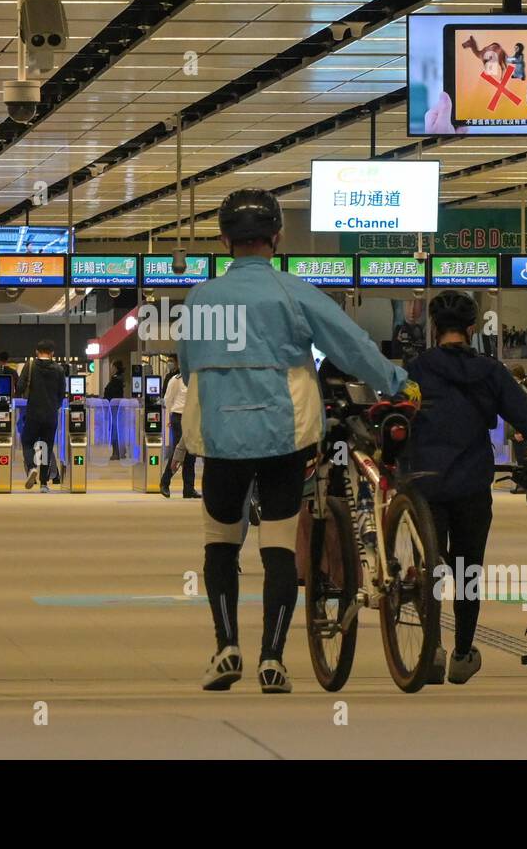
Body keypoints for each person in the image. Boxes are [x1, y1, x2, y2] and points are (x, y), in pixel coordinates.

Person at [180, 188, 416, 694]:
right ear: (277, 238)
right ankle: (273, 660)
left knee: (220, 546)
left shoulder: (199, 298)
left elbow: (187, 364)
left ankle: (226, 647)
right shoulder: (294, 292)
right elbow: (351, 347)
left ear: (224, 241)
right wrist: (398, 382)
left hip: (218, 436)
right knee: (280, 548)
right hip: (283, 436)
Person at [403, 291, 527, 685]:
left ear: (435, 329)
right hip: (472, 484)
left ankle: (432, 652)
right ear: (472, 331)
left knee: (430, 570)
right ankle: (462, 653)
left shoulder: (416, 370)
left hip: (425, 486)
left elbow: (396, 417)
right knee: (467, 569)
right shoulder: (490, 372)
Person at [17, 340, 66, 491]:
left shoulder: (30, 366)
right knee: (46, 446)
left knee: (27, 441)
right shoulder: (59, 369)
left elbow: (19, 387)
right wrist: (54, 407)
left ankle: (32, 467)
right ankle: (44, 483)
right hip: (51, 414)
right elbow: (61, 393)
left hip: (33, 412)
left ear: (37, 352)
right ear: (52, 353)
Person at [160, 370, 199, 500]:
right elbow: (168, 399)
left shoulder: (197, 379)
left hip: (193, 418)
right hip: (179, 417)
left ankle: (188, 488)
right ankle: (165, 482)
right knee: (179, 451)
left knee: (191, 453)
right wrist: (170, 417)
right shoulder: (176, 380)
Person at [506, 364, 527, 471]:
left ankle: (523, 484)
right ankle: (522, 484)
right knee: (521, 459)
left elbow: (521, 412)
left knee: (522, 460)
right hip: (518, 431)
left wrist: (519, 432)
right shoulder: (520, 389)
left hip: (519, 432)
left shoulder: (520, 390)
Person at [103, 360, 126, 460]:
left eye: (112, 367)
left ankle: (116, 452)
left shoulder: (116, 381)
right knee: (117, 430)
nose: (111, 369)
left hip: (114, 409)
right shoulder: (118, 379)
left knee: (114, 431)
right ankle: (120, 451)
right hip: (116, 409)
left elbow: (111, 394)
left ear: (116, 368)